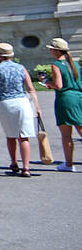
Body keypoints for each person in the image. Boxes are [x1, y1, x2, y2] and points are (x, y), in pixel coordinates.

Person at [0, 42, 42, 177]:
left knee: (10, 135)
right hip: (21, 101)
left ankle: (14, 162)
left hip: (5, 102)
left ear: (0, 55)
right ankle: (26, 168)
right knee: (24, 136)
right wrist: (37, 107)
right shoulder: (21, 68)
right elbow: (30, 88)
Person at [43, 38, 82, 171]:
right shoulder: (74, 64)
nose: (50, 50)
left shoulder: (56, 65)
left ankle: (69, 164)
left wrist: (48, 83)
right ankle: (68, 164)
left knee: (67, 135)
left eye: (51, 48)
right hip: (78, 96)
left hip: (66, 98)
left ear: (56, 50)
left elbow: (59, 85)